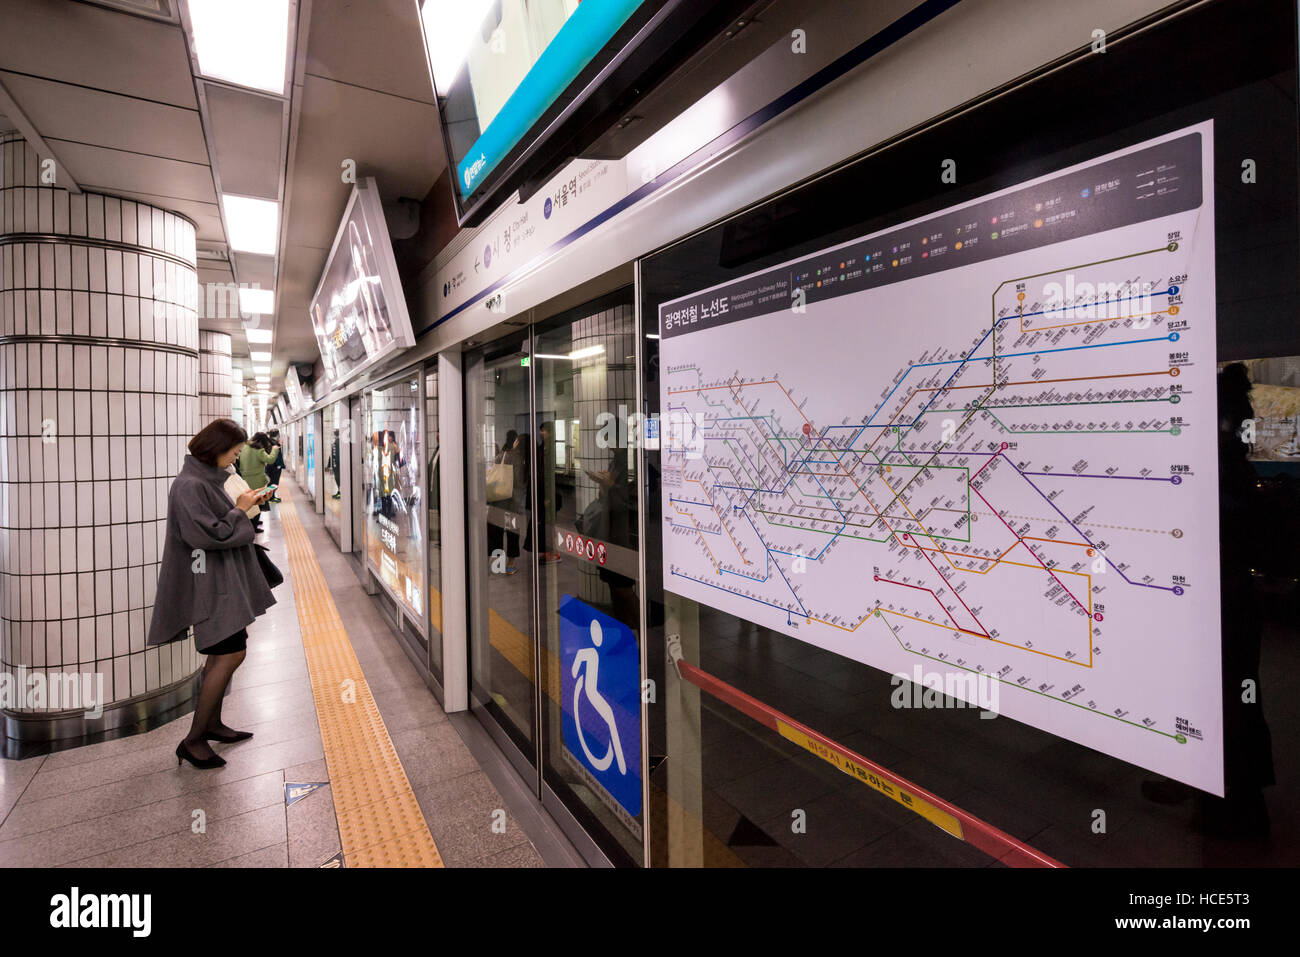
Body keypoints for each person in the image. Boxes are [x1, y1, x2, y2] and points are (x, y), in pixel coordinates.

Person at [147, 418, 275, 769]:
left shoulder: (206, 479)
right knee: (229, 654)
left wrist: (244, 504)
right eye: (233, 451)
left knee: (228, 653)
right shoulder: (189, 486)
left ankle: (212, 724)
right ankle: (194, 740)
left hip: (221, 583)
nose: (235, 457)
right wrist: (240, 509)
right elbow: (208, 535)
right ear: (215, 448)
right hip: (208, 587)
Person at [238, 433, 280, 513]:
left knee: (249, 500)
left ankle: (253, 520)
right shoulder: (258, 450)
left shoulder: (244, 447)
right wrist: (274, 449)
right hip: (256, 479)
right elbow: (270, 460)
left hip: (244, 478)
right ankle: (255, 521)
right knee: (258, 500)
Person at [265, 429, 285, 502]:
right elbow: (277, 456)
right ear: (277, 435)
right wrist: (279, 465)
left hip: (269, 466)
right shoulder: (275, 444)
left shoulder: (267, 442)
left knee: (270, 482)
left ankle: (270, 496)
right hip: (275, 466)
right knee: (274, 482)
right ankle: (271, 497)